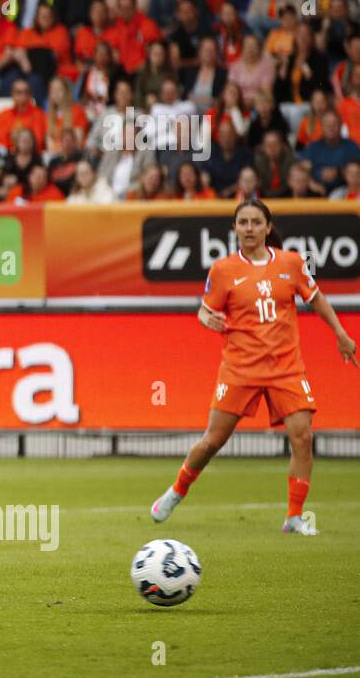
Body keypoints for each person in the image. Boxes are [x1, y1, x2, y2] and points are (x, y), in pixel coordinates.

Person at [151, 200, 357, 535]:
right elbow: (204, 311)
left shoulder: (291, 263)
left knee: (303, 436)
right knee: (212, 440)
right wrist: (209, 320)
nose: (249, 228)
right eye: (242, 222)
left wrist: (341, 333)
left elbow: (316, 297)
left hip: (287, 368)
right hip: (240, 367)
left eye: (255, 222)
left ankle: (293, 516)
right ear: (235, 228)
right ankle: (177, 490)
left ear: (267, 227)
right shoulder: (222, 270)